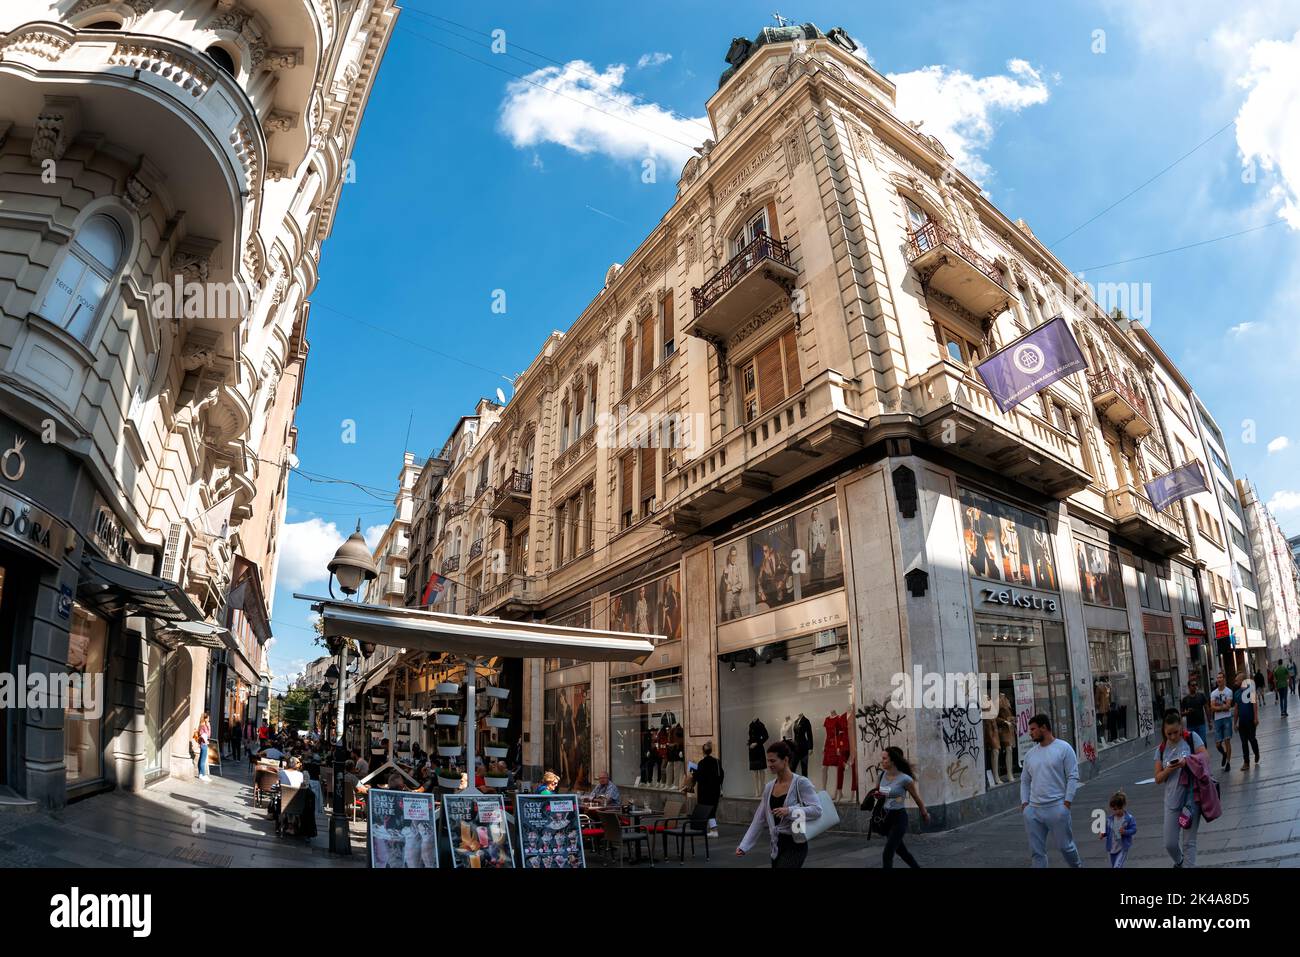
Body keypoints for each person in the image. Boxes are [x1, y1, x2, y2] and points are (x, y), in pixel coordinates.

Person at [736, 740, 822, 868]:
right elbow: (759, 819)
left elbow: (817, 810)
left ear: (785, 760)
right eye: (768, 760)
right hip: (776, 845)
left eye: (773, 761)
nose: (769, 764)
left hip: (796, 844)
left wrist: (790, 811)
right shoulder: (769, 787)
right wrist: (744, 845)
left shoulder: (801, 783)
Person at [1019, 713, 1082, 868]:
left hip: (1057, 808)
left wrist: (1067, 803)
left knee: (1065, 847)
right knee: (1037, 852)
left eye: (1033, 729)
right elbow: (1025, 781)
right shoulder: (1030, 755)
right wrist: (1025, 804)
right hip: (1033, 810)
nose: (1030, 732)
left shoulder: (1064, 748)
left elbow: (1073, 776)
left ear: (1044, 728)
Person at [1154, 709, 1207, 867]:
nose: (1172, 737)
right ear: (1164, 731)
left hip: (1192, 798)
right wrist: (1168, 770)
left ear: (1181, 727)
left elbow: (1205, 757)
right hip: (1171, 801)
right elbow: (1157, 778)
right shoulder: (1161, 749)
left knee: (1189, 843)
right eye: (1168, 733)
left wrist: (1187, 761)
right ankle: (1180, 862)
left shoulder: (1191, 738)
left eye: (1176, 732)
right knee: (1169, 843)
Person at [871, 746, 930, 869]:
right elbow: (878, 793)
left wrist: (924, 813)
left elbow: (916, 797)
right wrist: (876, 795)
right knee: (902, 851)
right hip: (885, 818)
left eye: (884, 758)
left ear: (893, 761)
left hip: (899, 818)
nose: (882, 761)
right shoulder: (881, 775)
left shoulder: (905, 779)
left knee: (888, 853)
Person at [684, 741, 724, 837]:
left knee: (707, 810)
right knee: (712, 810)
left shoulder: (702, 763)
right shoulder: (717, 762)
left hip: (705, 791)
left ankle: (714, 830)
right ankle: (713, 829)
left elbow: (698, 777)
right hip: (715, 790)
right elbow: (722, 775)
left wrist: (693, 772)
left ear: (703, 751)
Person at [1101, 791, 1136, 868]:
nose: (1116, 811)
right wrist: (1103, 834)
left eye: (1118, 809)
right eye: (1114, 809)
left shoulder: (1129, 818)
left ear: (1123, 806)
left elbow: (1134, 829)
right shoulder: (1110, 819)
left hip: (1122, 847)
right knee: (1114, 865)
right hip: (1112, 848)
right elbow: (1107, 830)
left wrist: (1125, 832)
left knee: (1117, 866)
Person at [1233, 671, 1260, 769]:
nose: (1235, 681)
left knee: (1252, 739)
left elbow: (1254, 704)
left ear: (1242, 680)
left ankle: (1256, 753)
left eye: (1237, 680)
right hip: (1242, 722)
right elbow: (1236, 709)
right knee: (1244, 743)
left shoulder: (1251, 689)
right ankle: (1246, 762)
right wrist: (1235, 723)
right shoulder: (1236, 693)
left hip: (1250, 720)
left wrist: (1256, 718)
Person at [1209, 671, 1234, 771]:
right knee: (1218, 744)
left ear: (1224, 679)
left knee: (1227, 741)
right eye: (1217, 678)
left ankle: (1228, 763)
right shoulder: (1213, 693)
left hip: (1226, 718)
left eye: (1220, 678)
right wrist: (1222, 707)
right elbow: (1212, 707)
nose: (1218, 679)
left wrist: (1218, 706)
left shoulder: (1229, 691)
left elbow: (1228, 706)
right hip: (1217, 719)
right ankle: (1224, 754)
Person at [1179, 676, 1210, 745]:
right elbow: (1181, 713)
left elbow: (1206, 708)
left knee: (1202, 742)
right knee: (1192, 743)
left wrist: (1209, 721)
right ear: (1189, 687)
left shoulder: (1201, 696)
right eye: (1193, 685)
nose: (1195, 687)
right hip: (1191, 725)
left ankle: (1204, 754)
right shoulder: (1185, 699)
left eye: (1196, 685)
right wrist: (1187, 712)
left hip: (1201, 724)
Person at [196, 712, 211, 781]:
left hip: (202, 744)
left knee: (201, 759)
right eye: (208, 718)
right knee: (203, 760)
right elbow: (208, 735)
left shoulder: (201, 725)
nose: (208, 719)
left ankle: (200, 774)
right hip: (204, 744)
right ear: (205, 719)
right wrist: (209, 727)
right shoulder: (204, 726)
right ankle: (203, 775)